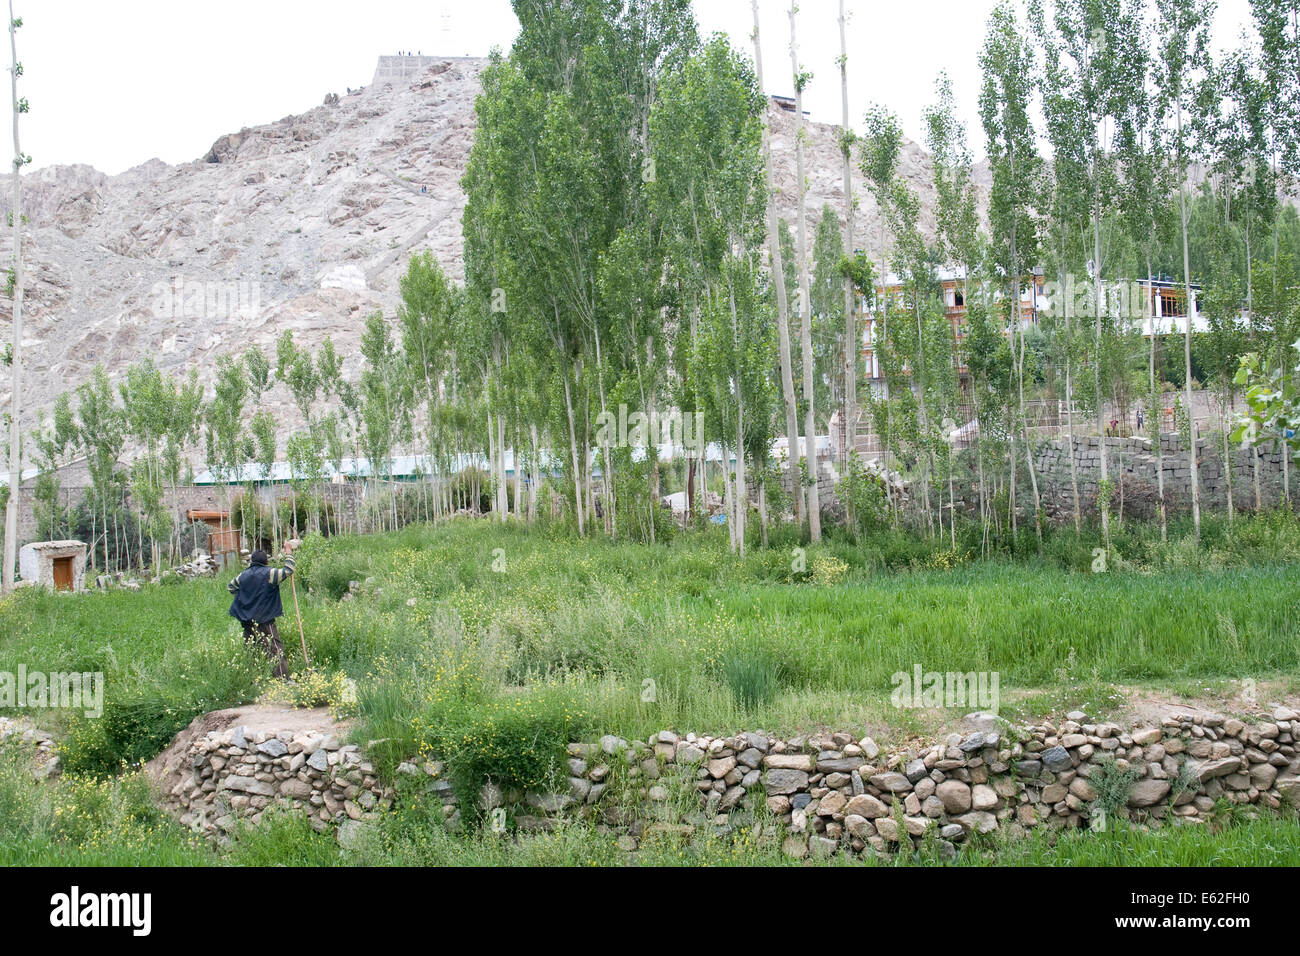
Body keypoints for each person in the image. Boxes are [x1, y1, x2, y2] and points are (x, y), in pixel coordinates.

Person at [228, 541, 297, 679]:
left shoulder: (243, 575)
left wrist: (246, 595)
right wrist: (288, 552)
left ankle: (253, 679)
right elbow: (288, 570)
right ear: (266, 562)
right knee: (275, 649)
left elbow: (231, 587)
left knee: (251, 649)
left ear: (252, 562)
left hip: (247, 619)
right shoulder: (270, 573)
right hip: (265, 618)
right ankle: (282, 678)